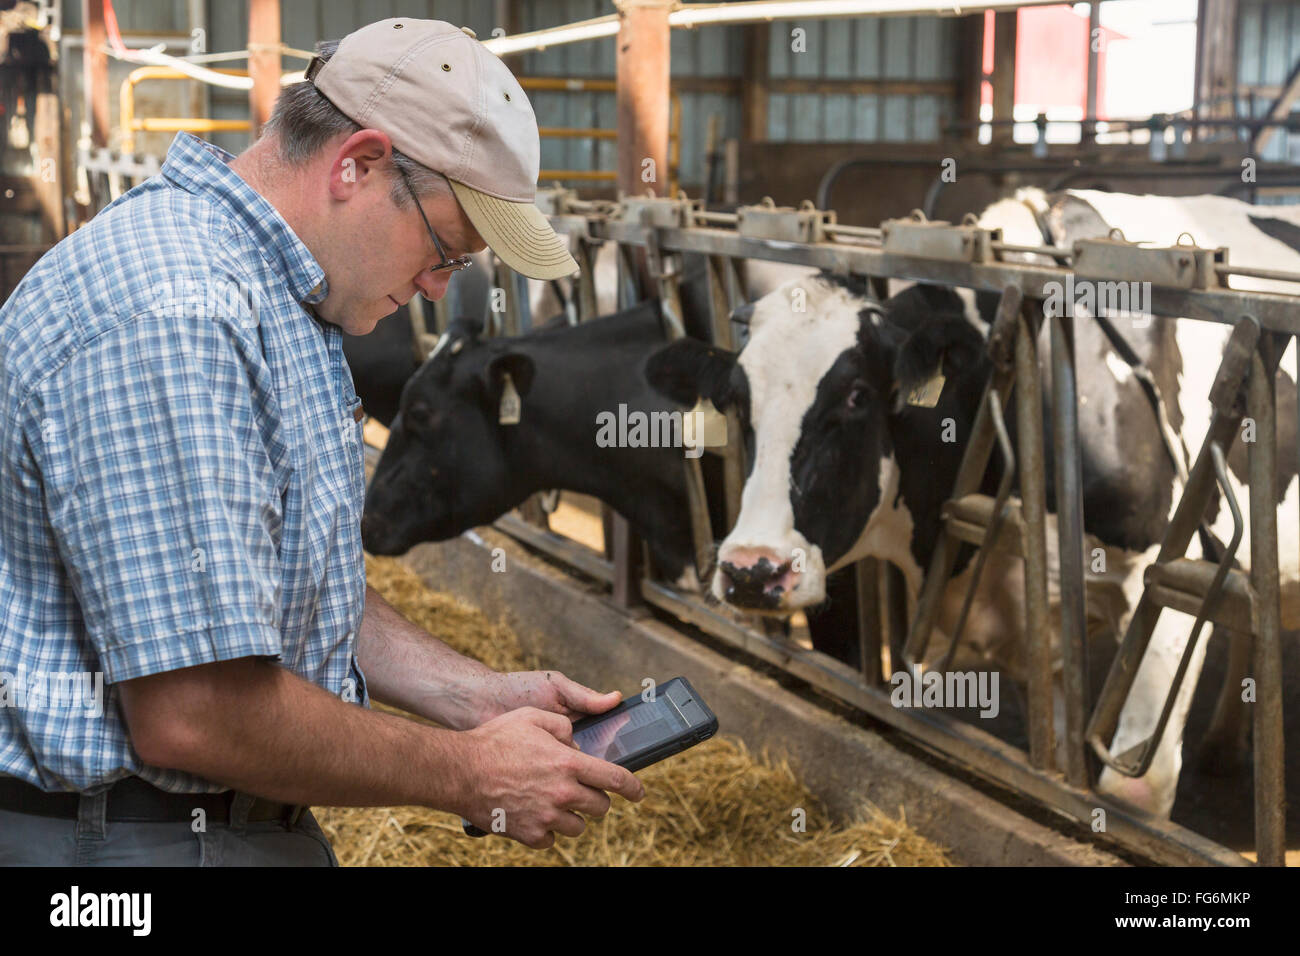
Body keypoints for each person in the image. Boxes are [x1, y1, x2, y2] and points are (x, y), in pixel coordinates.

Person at [0, 17, 642, 866]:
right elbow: (196, 708)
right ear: (359, 164)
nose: (434, 287)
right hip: (120, 843)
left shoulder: (275, 293)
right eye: (446, 250)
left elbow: (260, 578)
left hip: (208, 823)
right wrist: (469, 774)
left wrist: (474, 697)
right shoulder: (178, 312)